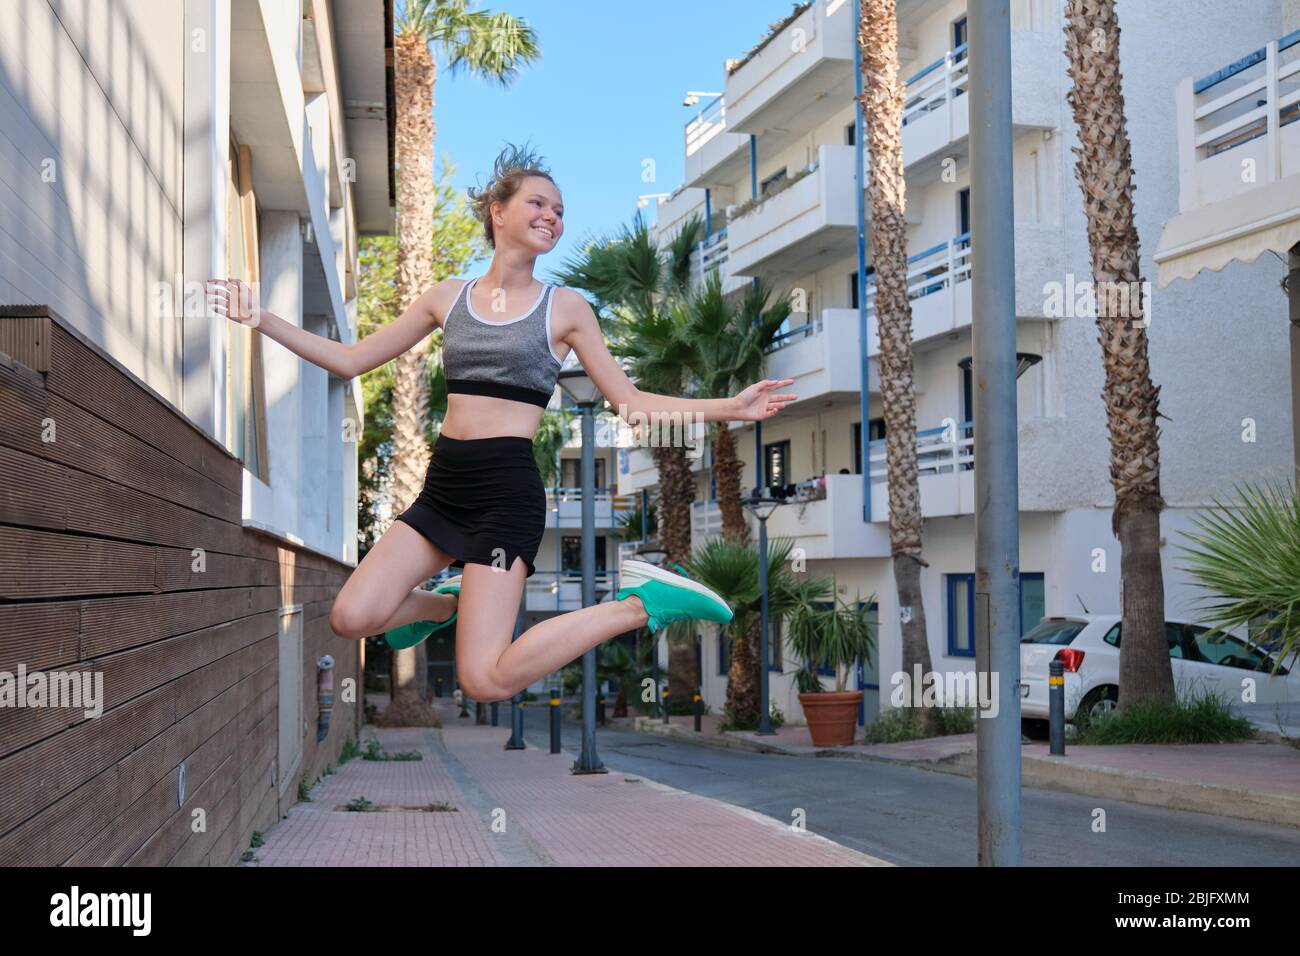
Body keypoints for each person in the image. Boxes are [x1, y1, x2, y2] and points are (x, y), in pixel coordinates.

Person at [207, 144, 797, 703]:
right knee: (350, 617)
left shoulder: (565, 309)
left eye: (560, 211)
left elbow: (631, 402)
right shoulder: (447, 297)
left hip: (504, 495)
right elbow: (351, 360)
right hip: (444, 490)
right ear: (498, 211)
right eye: (538, 203)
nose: (552, 216)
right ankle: (447, 603)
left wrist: (731, 407)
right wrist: (259, 317)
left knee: (485, 681)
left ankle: (638, 604)